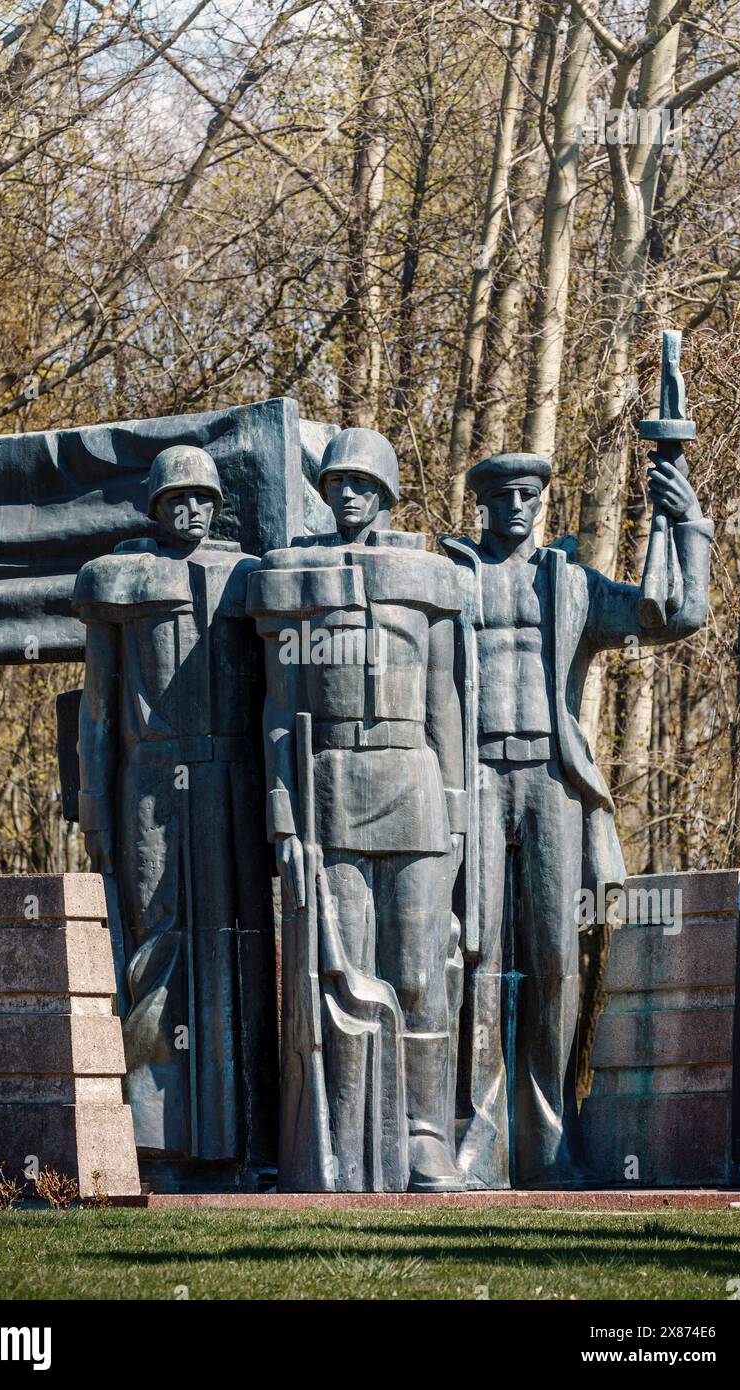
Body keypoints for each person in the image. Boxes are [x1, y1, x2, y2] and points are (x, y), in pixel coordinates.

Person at [442, 450, 713, 1187]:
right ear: (484, 504)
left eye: (529, 493)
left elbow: (676, 614)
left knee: (557, 959)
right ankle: (480, 1136)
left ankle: (548, 1140)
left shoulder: (572, 585)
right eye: (502, 495)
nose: (517, 506)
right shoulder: (452, 577)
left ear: (543, 500)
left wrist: (686, 519)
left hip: (552, 781)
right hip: (474, 778)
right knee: (478, 952)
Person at [249, 427, 467, 1192]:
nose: (347, 494)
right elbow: (278, 712)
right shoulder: (296, 576)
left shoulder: (422, 577)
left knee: (416, 971)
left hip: (415, 781)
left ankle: (424, 1137)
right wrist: (282, 814)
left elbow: (447, 705)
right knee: (343, 969)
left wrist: (460, 815)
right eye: (337, 481)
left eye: (362, 483)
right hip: (331, 787)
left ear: (385, 491)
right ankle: (343, 1136)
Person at [73, 445, 277, 1190]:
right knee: (156, 943)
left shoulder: (250, 576)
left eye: (200, 499)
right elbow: (98, 707)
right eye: (174, 500)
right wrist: (95, 799)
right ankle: (158, 1140)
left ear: (216, 505)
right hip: (152, 779)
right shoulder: (120, 579)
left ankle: (245, 1140)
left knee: (239, 950)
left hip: (234, 777)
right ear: (154, 508)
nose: (188, 511)